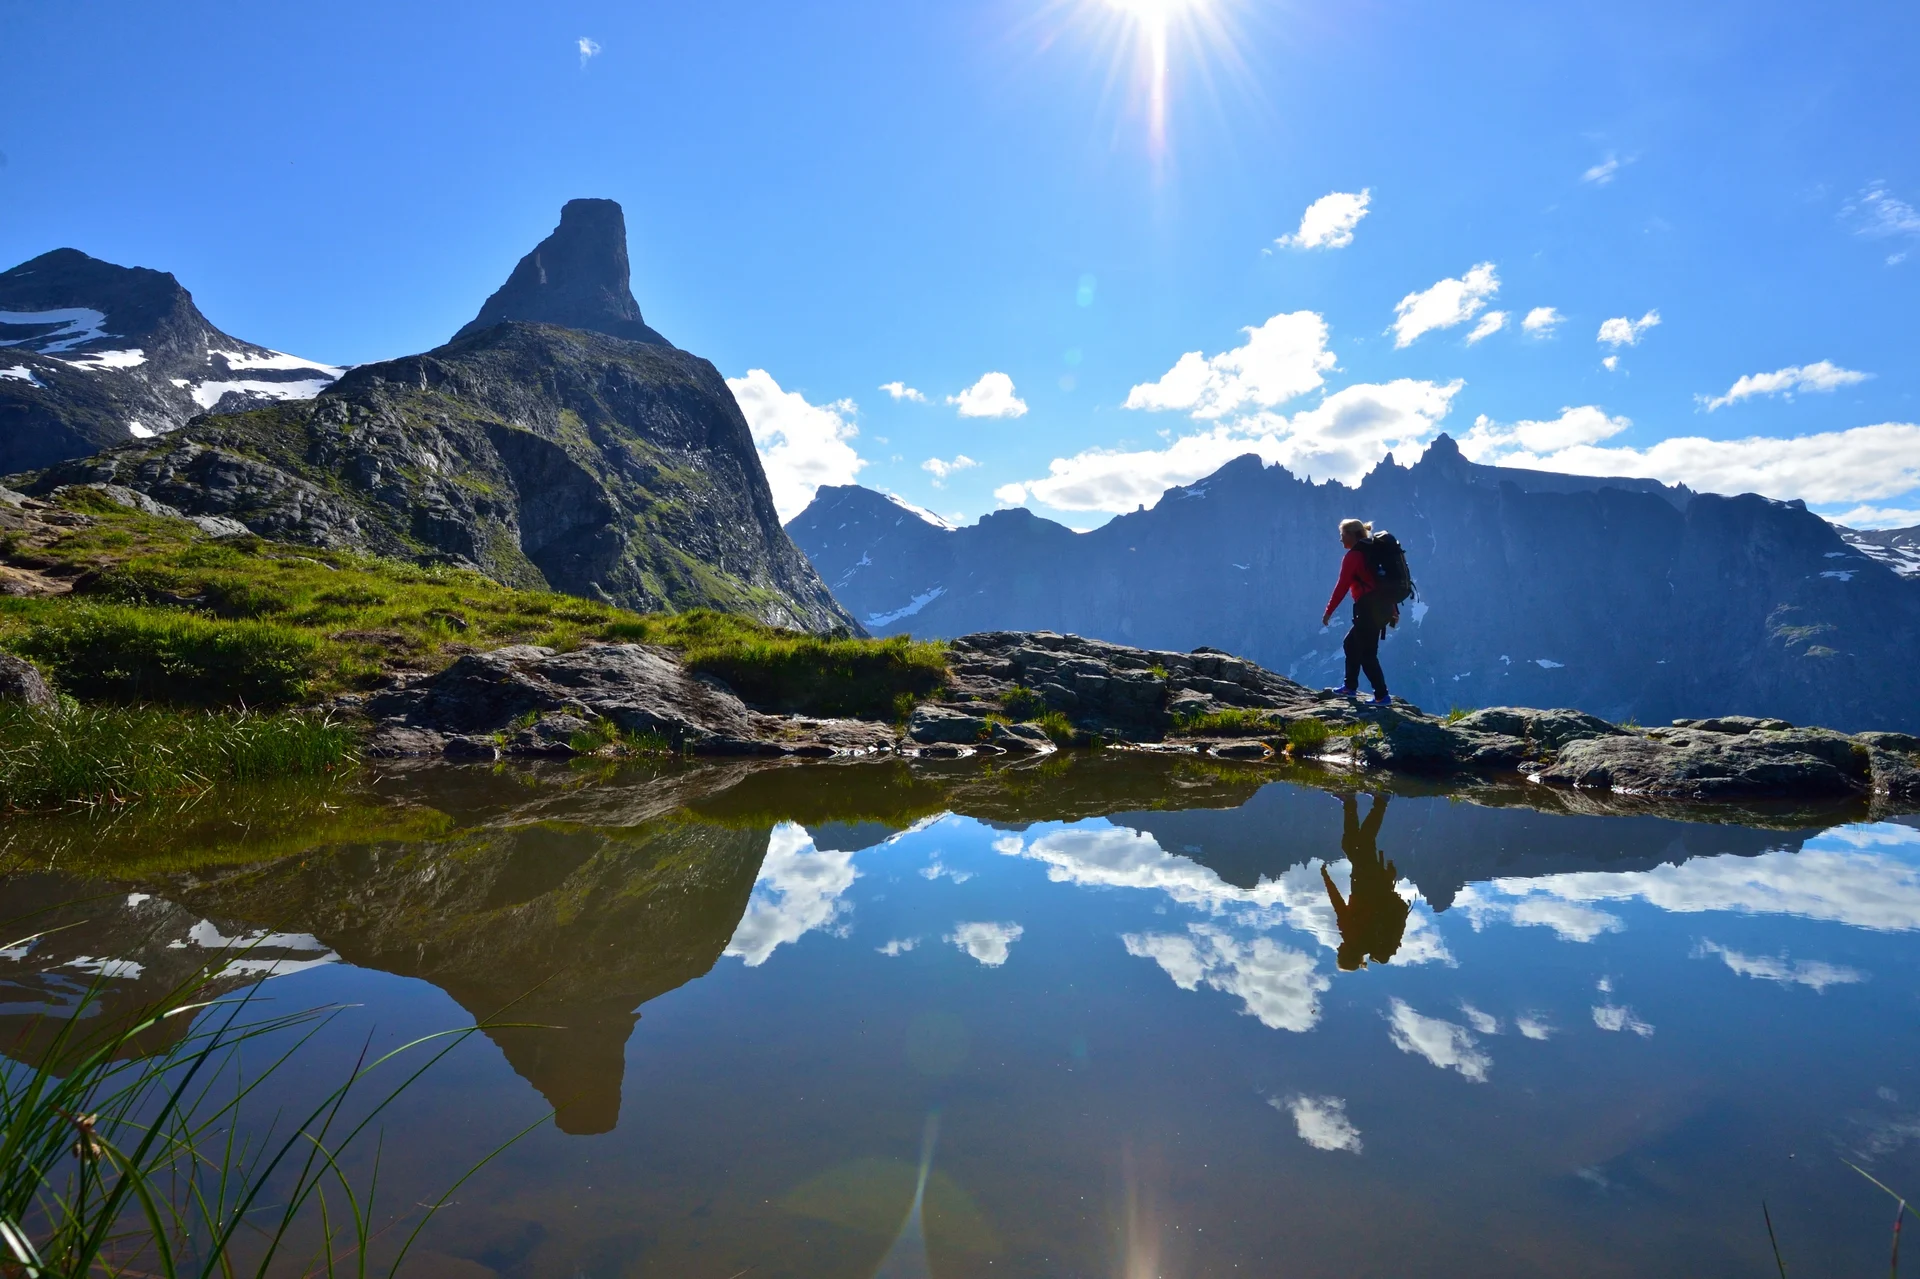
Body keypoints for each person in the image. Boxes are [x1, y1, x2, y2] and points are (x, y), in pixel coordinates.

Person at [1320, 791, 1408, 971]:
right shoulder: (1351, 936)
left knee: (1353, 844)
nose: (1337, 948)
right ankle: (1379, 801)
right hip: (1364, 885)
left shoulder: (1370, 943)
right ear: (1346, 954)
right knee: (1364, 842)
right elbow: (1338, 905)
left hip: (1378, 886)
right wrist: (1326, 879)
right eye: (1339, 953)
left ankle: (1350, 801)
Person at [1320, 517, 1396, 706]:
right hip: (1380, 608)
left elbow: (1342, 586)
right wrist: (1393, 610)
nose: (1340, 540)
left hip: (1368, 609)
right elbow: (1384, 583)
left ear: (1352, 535)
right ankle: (1350, 687)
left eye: (1342, 535)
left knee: (1367, 653)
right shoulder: (1372, 553)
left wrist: (1329, 611)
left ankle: (1381, 695)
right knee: (1350, 644)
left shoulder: (1354, 556)